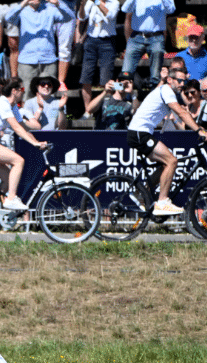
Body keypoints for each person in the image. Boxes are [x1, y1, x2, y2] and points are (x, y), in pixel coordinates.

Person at [127, 66, 207, 215]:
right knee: (172, 161)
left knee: (165, 164)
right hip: (139, 133)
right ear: (170, 79)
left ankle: (141, 193)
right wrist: (199, 130)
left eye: (185, 80)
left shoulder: (169, 92)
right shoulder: (166, 90)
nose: (183, 84)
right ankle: (162, 202)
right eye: (180, 80)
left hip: (139, 132)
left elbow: (184, 105)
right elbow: (181, 112)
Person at [0, 77, 47, 210]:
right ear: (14, 91)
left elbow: (23, 126)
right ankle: (11, 198)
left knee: (5, 180)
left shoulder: (13, 107)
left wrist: (36, 141)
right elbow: (16, 128)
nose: (23, 92)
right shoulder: (3, 104)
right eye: (21, 89)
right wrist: (34, 144)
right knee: (18, 161)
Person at [4, 0, 74, 93]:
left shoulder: (50, 9)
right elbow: (8, 18)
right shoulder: (22, 11)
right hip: (27, 61)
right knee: (27, 95)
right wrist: (23, 3)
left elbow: (69, 17)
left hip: (48, 60)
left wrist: (57, 3)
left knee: (49, 96)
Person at [120, 0, 175, 89]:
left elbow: (171, 10)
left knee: (155, 76)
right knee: (125, 73)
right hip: (136, 37)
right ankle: (119, 100)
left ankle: (155, 100)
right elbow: (125, 9)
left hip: (156, 37)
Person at [77, 0, 119, 112]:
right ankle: (87, 110)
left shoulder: (114, 2)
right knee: (86, 77)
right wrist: (82, 4)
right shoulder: (90, 3)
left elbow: (110, 16)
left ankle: (105, 111)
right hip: (91, 40)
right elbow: (81, 17)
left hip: (107, 42)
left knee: (106, 78)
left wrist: (97, 2)